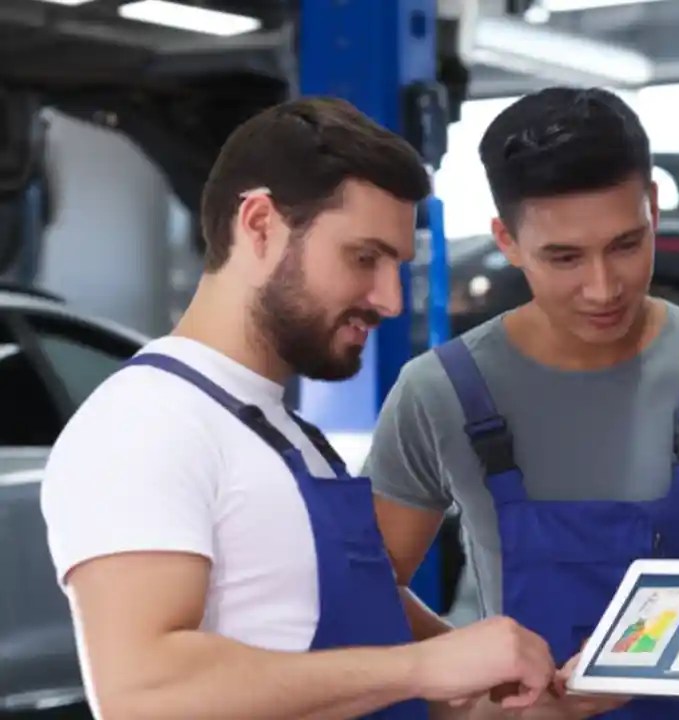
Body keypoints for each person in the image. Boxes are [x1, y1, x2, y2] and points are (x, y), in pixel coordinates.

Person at [39, 97, 559, 720]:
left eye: (397, 266)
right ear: (259, 224)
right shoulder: (145, 423)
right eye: (364, 258)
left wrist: (527, 693)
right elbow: (144, 692)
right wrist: (424, 667)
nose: (390, 299)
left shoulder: (292, 439)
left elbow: (397, 679)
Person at [363, 87, 679, 720]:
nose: (603, 287)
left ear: (654, 209)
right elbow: (365, 589)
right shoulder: (438, 393)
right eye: (564, 257)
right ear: (506, 240)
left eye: (625, 244)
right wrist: (466, 683)